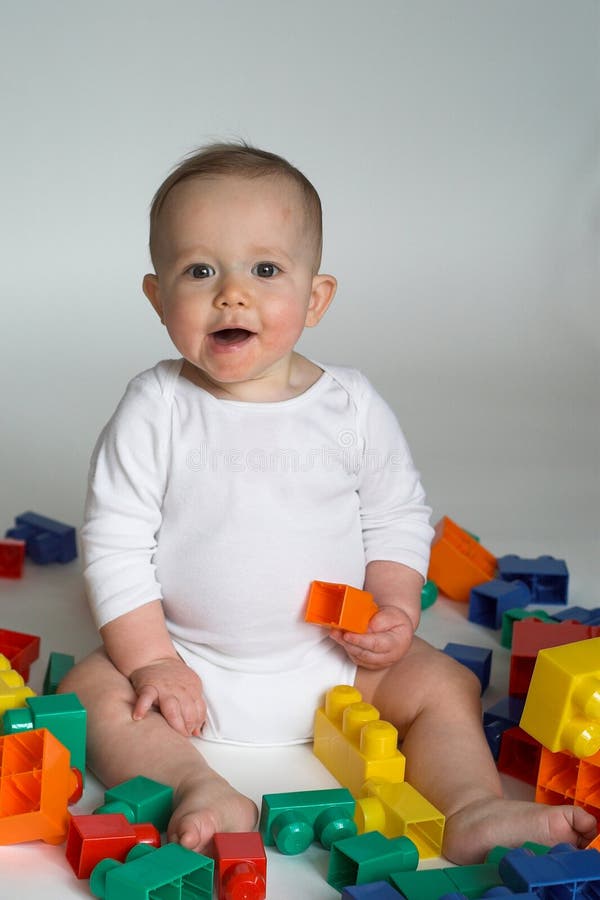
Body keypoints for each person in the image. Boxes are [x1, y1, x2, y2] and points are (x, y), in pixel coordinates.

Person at [60, 142, 597, 865]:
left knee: (442, 684)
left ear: (315, 298)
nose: (232, 293)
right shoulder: (155, 407)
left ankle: (471, 805)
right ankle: (199, 785)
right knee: (95, 691)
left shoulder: (350, 406)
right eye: (199, 270)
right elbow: (115, 544)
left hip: (336, 663)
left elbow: (397, 516)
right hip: (191, 658)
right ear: (158, 298)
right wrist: (153, 662)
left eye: (266, 269)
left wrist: (394, 608)